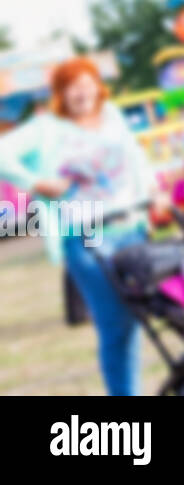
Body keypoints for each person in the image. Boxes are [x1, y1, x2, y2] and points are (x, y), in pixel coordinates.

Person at [0, 57, 164, 395]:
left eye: (87, 82)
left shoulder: (113, 116)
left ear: (98, 86)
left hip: (132, 227)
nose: (81, 92)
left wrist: (153, 189)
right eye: (72, 86)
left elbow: (136, 157)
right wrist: (36, 182)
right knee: (117, 326)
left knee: (163, 312)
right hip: (88, 237)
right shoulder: (46, 128)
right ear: (60, 94)